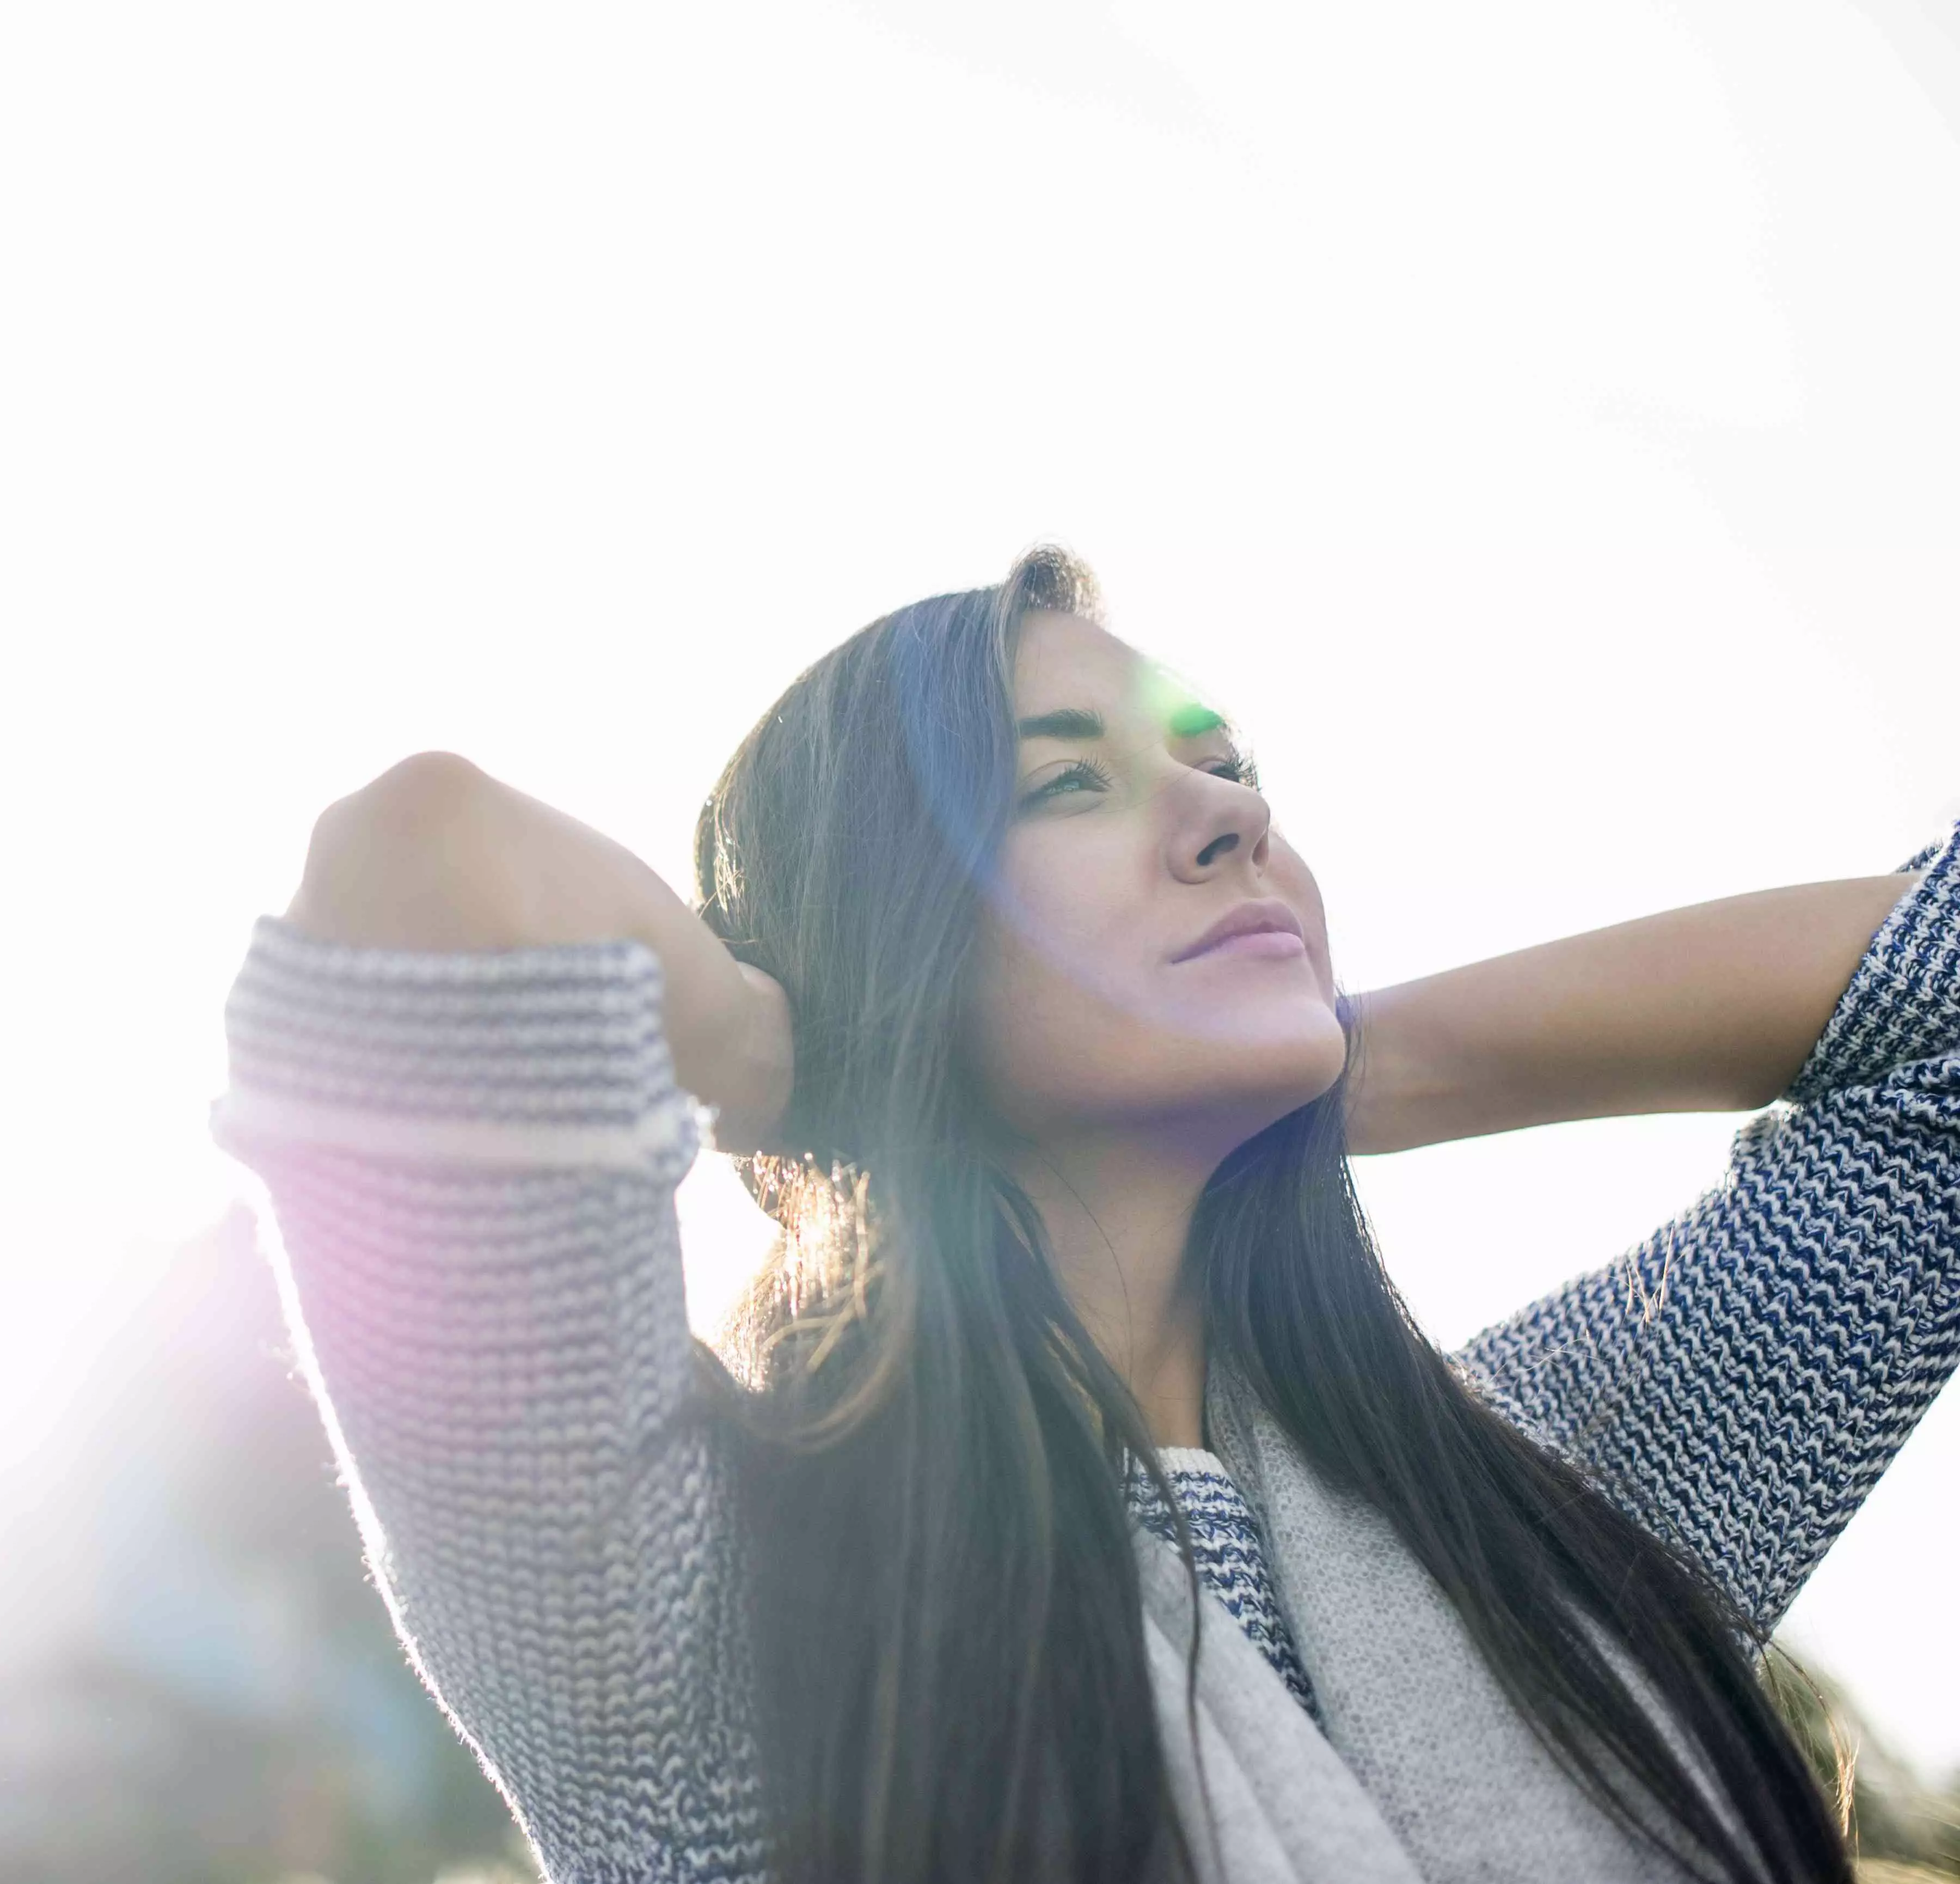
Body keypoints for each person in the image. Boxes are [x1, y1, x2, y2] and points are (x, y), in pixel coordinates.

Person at [212, 547, 1957, 1884]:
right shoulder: (715, 1611)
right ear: (894, 935)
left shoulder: (1562, 1484)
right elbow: (414, 865)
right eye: (1070, 781)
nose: (1230, 814)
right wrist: (806, 1055)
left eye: (1226, 766)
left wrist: (1345, 1061)